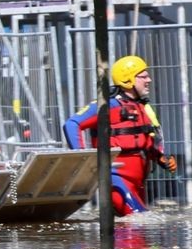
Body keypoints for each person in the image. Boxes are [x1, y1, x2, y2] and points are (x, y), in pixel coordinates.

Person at [63, 55, 178, 216]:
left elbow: (144, 140)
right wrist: (85, 159)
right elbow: (72, 124)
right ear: (127, 79)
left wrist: (160, 158)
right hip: (116, 177)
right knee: (138, 220)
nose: (149, 80)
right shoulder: (108, 105)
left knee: (136, 231)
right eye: (143, 76)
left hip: (138, 180)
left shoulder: (141, 107)